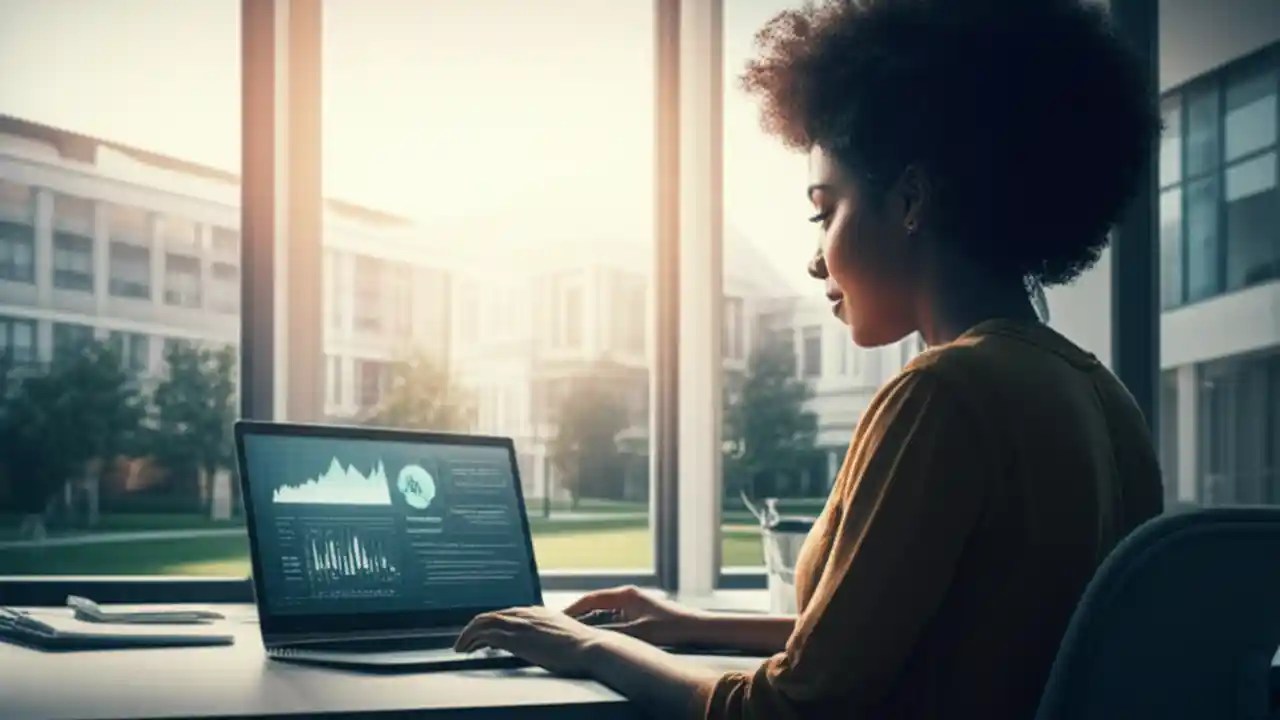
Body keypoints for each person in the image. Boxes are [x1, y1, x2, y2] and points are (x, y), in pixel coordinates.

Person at [454, 0, 1164, 717]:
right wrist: (690, 624)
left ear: (911, 200)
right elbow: (929, 639)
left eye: (824, 212)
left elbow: (786, 711)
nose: (815, 258)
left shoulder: (943, 393)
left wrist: (586, 646)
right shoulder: (1106, 399)